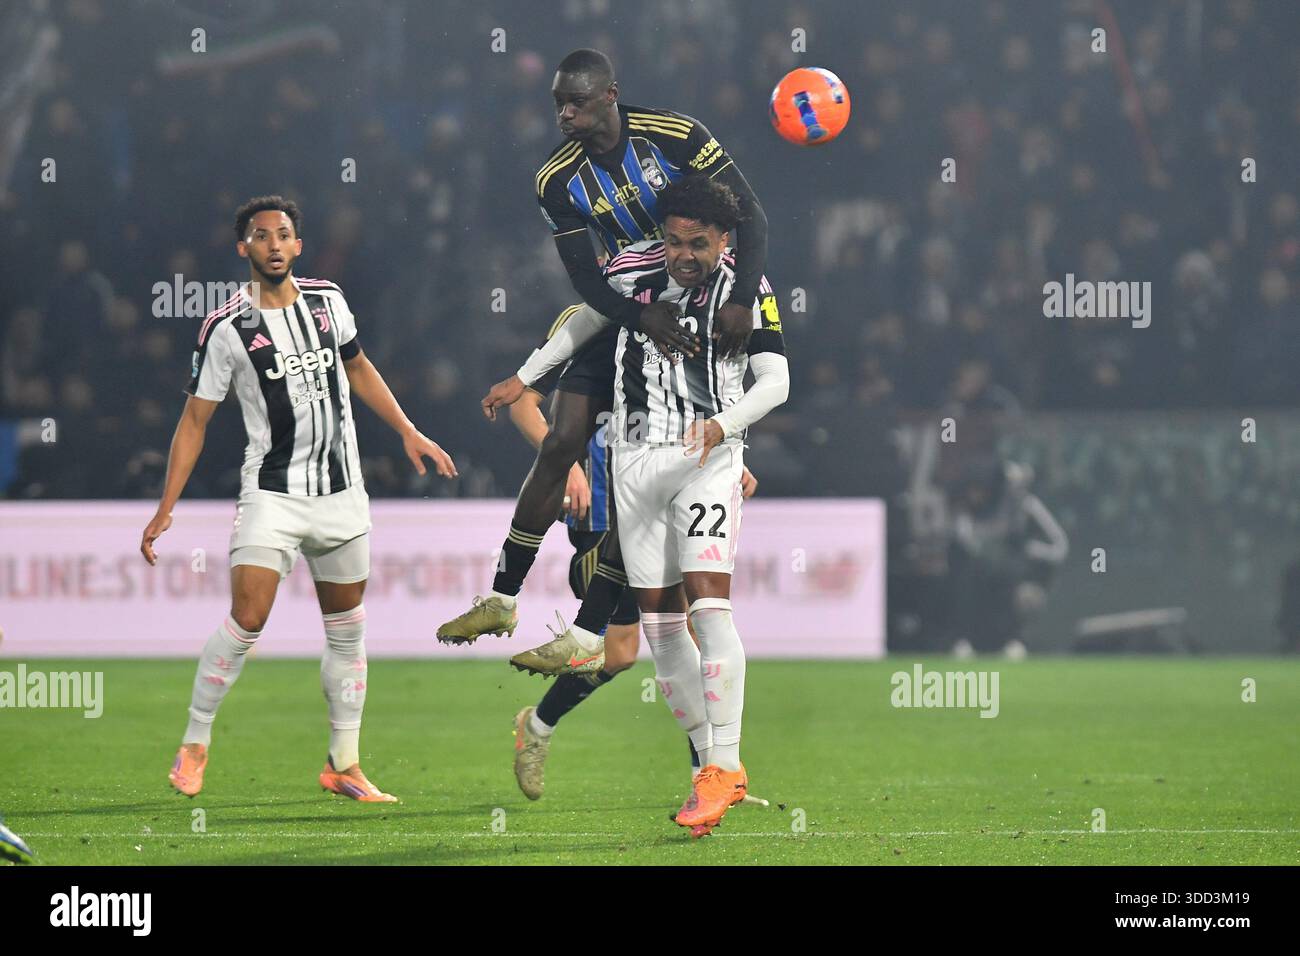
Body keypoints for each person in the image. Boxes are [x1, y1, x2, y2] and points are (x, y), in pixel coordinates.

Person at [484, 175, 789, 836]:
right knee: (656, 632)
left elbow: (776, 381)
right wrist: (526, 378)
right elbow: (584, 324)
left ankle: (722, 769)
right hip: (634, 464)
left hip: (708, 457)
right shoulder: (628, 272)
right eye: (675, 240)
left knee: (707, 607)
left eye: (698, 244)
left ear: (725, 240)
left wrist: (721, 426)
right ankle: (706, 771)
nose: (684, 254)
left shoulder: (747, 289)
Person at [437, 48, 768, 647]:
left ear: (610, 95)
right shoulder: (556, 180)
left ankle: (596, 633)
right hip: (626, 303)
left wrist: (742, 299)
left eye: (578, 102)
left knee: (666, 448)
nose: (565, 113)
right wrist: (641, 318)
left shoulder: (676, 136)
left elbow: (752, 218)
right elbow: (587, 282)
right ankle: (502, 598)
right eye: (559, 103)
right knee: (562, 439)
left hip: (699, 298)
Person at [140, 196, 457, 802]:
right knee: (248, 618)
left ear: (298, 245)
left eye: (284, 235)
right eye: (262, 237)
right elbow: (195, 421)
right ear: (244, 249)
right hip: (272, 494)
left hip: (342, 492)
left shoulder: (328, 301)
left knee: (346, 629)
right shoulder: (226, 327)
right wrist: (165, 506)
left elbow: (359, 369)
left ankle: (344, 763)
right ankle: (195, 740)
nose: (275, 245)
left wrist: (408, 430)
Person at [500, 311, 759, 799]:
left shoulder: (677, 315)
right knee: (619, 652)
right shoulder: (585, 321)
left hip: (665, 495)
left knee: (681, 635)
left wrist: (730, 462)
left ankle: (710, 775)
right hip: (600, 515)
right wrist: (566, 460)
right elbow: (523, 404)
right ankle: (537, 725)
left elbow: (701, 399)